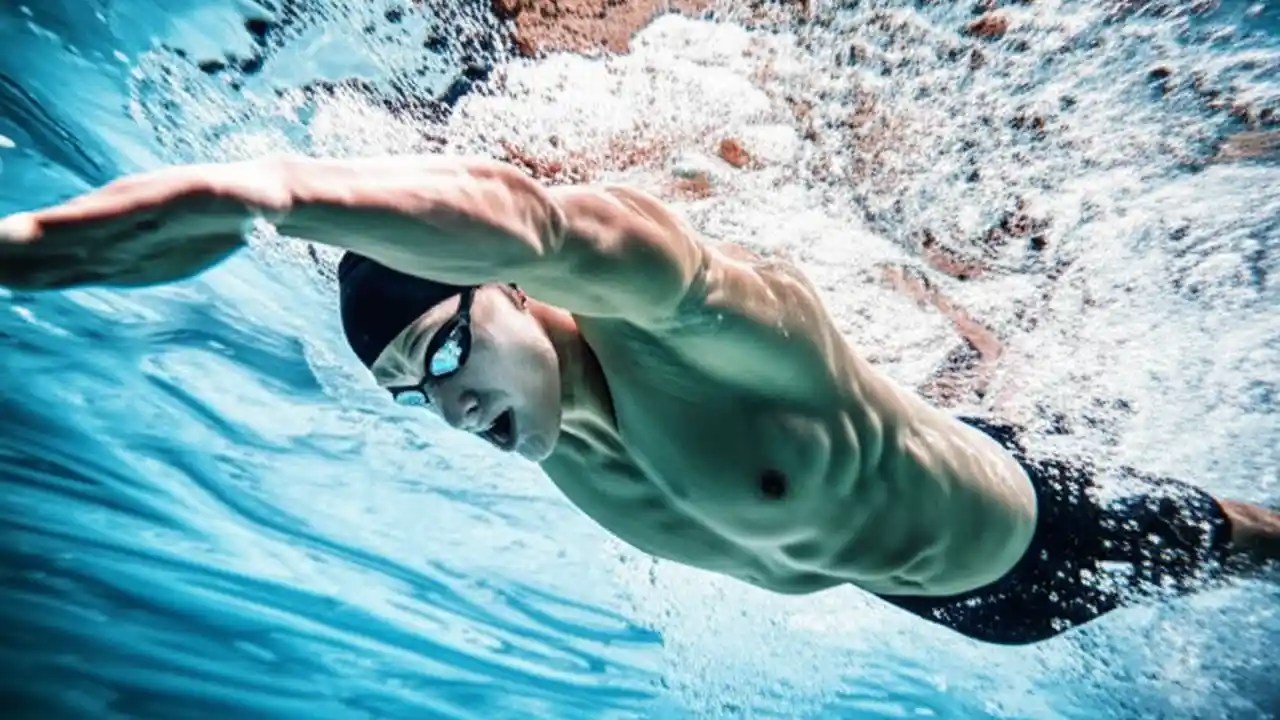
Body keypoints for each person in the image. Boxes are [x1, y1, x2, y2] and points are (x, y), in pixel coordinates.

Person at [1, 154, 1276, 645]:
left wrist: (266, 197)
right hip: (945, 604)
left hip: (1047, 526)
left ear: (510, 292)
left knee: (1255, 550)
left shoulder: (701, 333)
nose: (449, 411)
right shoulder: (559, 439)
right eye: (412, 397)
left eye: (444, 356)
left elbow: (541, 217)